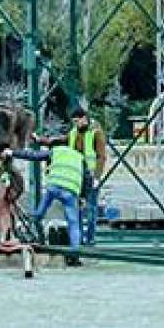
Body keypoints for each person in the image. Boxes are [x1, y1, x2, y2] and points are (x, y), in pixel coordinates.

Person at [6, 139, 89, 252]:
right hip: (70, 191)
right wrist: (83, 196)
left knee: (40, 211)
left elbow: (33, 155)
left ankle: (35, 223)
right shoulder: (79, 157)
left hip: (54, 186)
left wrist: (12, 152)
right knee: (73, 223)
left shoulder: (55, 151)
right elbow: (86, 178)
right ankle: (75, 251)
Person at [62, 104, 108, 245]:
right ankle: (80, 238)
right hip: (76, 175)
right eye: (74, 122)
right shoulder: (73, 133)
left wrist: (97, 177)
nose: (76, 124)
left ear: (84, 119)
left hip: (90, 175)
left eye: (77, 121)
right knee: (77, 208)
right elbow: (62, 142)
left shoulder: (95, 133)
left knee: (90, 208)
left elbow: (101, 156)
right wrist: (41, 140)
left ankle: (90, 238)